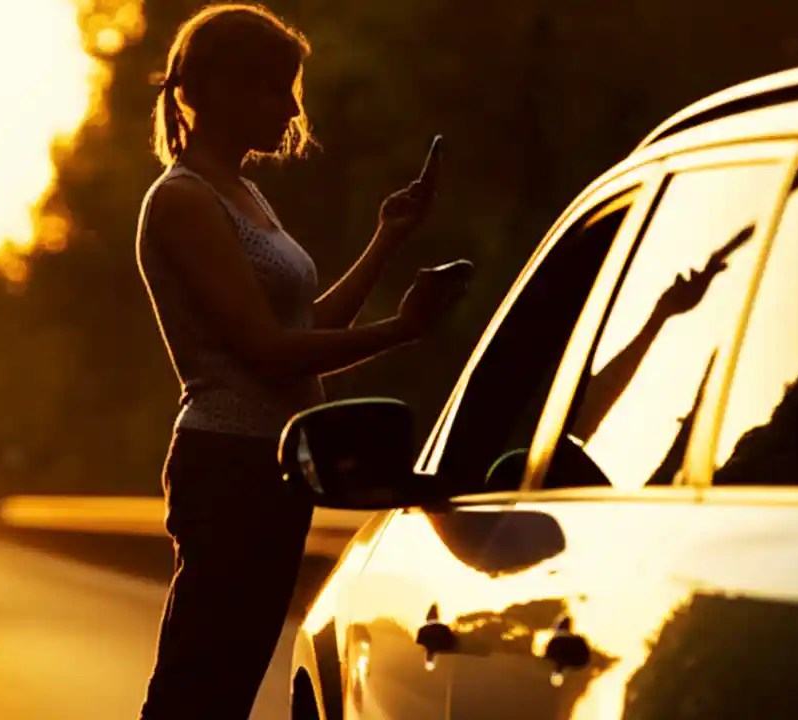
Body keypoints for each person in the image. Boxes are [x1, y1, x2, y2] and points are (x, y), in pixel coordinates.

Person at [134, 4, 467, 717]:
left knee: (226, 688)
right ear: (220, 89)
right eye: (273, 88)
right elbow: (266, 352)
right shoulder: (183, 201)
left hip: (272, 466)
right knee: (198, 692)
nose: (290, 108)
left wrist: (387, 238)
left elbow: (305, 326)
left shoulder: (246, 194)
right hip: (227, 466)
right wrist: (401, 330)